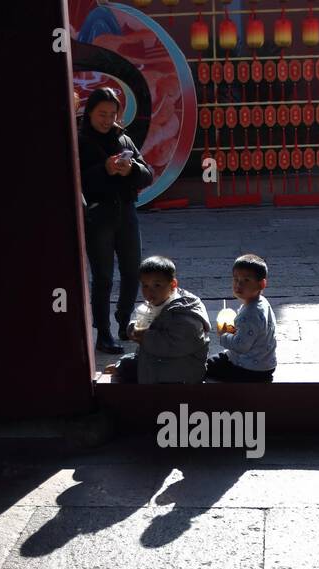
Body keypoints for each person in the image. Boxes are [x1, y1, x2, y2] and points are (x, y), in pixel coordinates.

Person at [78, 87, 153, 354]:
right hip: (98, 215)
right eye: (102, 114)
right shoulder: (80, 140)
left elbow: (148, 174)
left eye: (112, 114)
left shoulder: (123, 139)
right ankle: (104, 332)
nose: (107, 120)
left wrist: (131, 169)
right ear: (90, 112)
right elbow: (79, 180)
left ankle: (124, 322)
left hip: (127, 212)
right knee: (103, 277)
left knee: (133, 271)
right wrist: (104, 170)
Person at [108, 256, 211, 384]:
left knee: (128, 369)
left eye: (157, 285)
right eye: (145, 286)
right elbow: (139, 318)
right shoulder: (155, 302)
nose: (150, 292)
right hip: (160, 360)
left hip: (182, 371)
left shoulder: (185, 314)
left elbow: (172, 345)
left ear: (173, 285)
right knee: (126, 364)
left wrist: (144, 337)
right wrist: (133, 328)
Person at [205, 254, 277, 383]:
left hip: (250, 370)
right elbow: (250, 333)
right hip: (264, 363)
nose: (239, 284)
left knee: (207, 367)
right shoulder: (261, 302)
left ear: (262, 284)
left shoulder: (250, 313)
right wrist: (232, 329)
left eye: (246, 280)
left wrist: (224, 335)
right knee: (215, 360)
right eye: (236, 279)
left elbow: (241, 346)